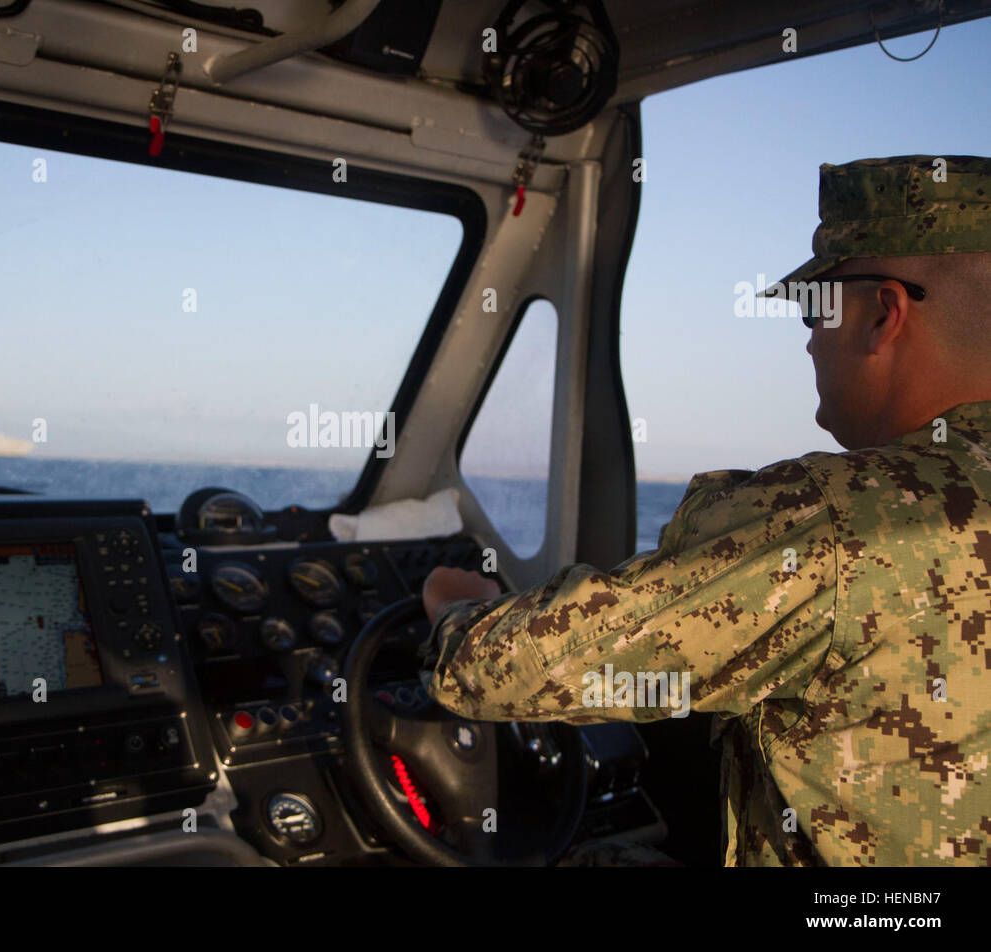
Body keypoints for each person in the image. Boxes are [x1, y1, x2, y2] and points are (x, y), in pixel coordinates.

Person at [421, 155, 991, 866]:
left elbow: (513, 666)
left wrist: (455, 614)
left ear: (882, 314)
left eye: (817, 307)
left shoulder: (839, 518)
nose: (809, 337)